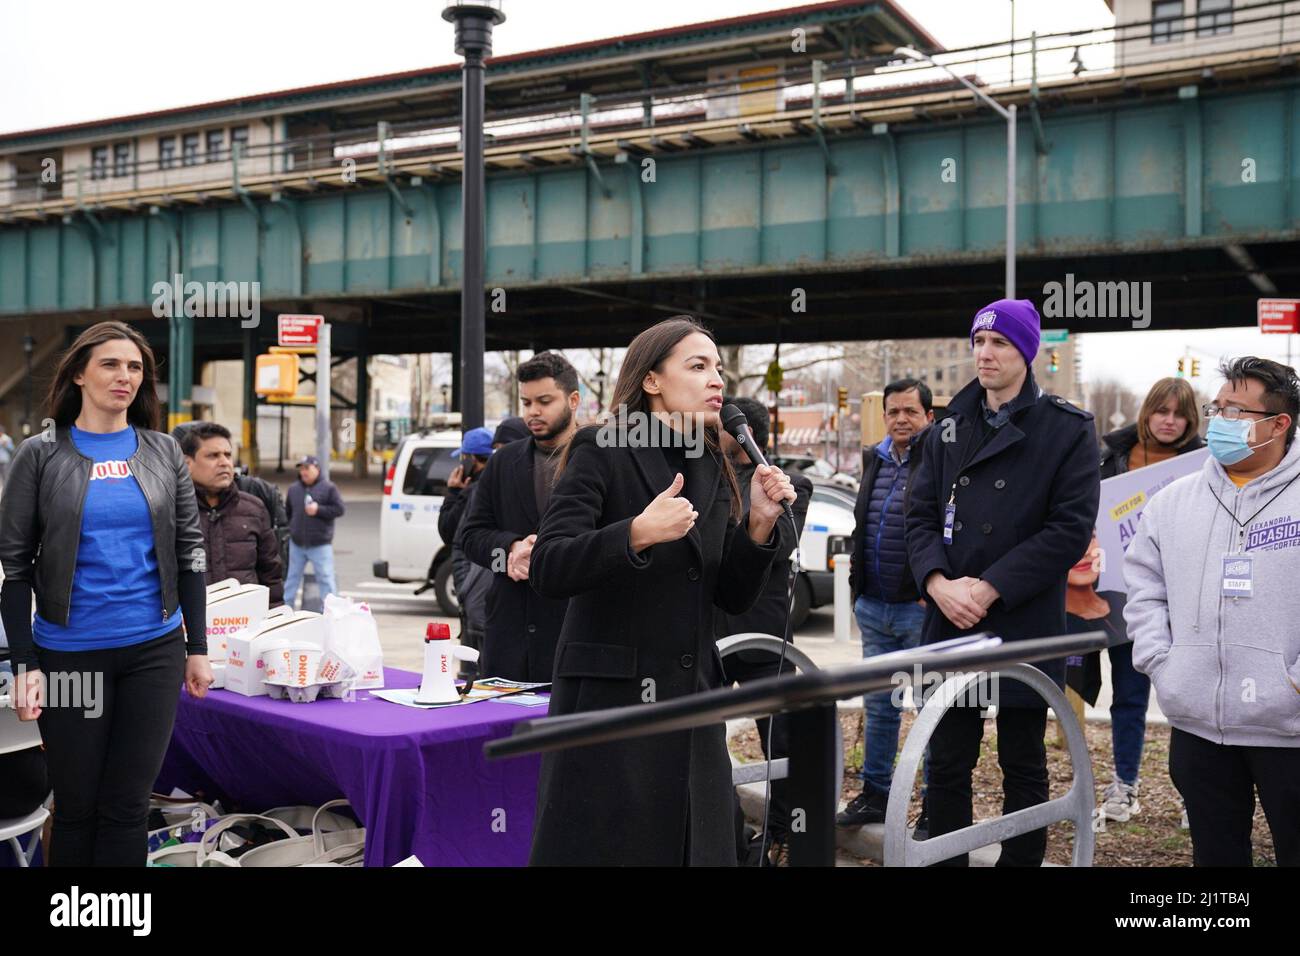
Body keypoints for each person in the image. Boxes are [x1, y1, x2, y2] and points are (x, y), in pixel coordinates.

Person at [528, 316, 796, 866]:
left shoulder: (710, 461)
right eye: (698, 367)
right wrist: (635, 533)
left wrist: (759, 527)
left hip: (692, 708)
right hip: (613, 707)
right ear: (652, 381)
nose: (716, 379)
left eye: (718, 367)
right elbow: (550, 567)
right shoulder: (601, 447)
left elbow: (729, 596)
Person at [0, 320, 212, 867]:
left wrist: (198, 648)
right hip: (70, 656)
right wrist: (25, 664)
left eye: (136, 367)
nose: (126, 377)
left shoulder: (164, 452)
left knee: (127, 806)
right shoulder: (40, 455)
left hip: (153, 652)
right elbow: (15, 569)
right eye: (110, 365)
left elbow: (190, 553)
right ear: (78, 374)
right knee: (76, 806)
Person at [905, 299, 1099, 867]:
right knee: (946, 762)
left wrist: (988, 589)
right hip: (950, 620)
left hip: (1021, 621)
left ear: (1028, 353)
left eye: (1001, 345)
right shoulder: (946, 428)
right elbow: (919, 517)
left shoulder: (1067, 430)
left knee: (1022, 762)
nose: (984, 354)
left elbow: (1068, 530)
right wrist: (939, 583)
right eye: (979, 342)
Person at [1125, 356, 1300, 867]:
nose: (1220, 421)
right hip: (1199, 728)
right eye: (1217, 408)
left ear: (1278, 424)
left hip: (1290, 730)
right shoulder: (1172, 501)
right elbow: (1144, 589)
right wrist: (1163, 662)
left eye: (1238, 412)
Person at [1092, 376, 1203, 823]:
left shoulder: (1207, 463)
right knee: (1129, 695)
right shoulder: (1110, 458)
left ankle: (1197, 795)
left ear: (1190, 418)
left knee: (1192, 700)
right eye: (1162, 410)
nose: (1170, 421)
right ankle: (1124, 785)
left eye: (1179, 413)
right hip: (1126, 598)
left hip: (1188, 596)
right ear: (1147, 412)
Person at [712, 395, 812, 865]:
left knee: (782, 740)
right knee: (706, 739)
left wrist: (755, 515)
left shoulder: (789, 486)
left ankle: (784, 828)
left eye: (722, 429)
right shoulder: (703, 479)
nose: (713, 435)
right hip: (711, 638)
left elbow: (779, 544)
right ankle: (727, 830)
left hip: (761, 636)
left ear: (747, 436)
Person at [839, 378, 935, 830]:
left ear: (929, 418)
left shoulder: (939, 462)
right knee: (879, 707)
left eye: (910, 412)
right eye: (893, 412)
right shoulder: (874, 460)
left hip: (918, 610)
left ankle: (937, 806)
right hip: (873, 607)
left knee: (929, 709)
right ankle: (875, 796)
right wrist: (858, 590)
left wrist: (929, 588)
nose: (900, 420)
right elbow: (864, 525)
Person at [460, 353, 580, 682]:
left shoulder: (603, 458)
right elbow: (470, 536)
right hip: (509, 637)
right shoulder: (503, 462)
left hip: (577, 636)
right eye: (526, 402)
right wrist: (509, 549)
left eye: (544, 401)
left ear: (573, 400)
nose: (532, 412)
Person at [179, 421, 285, 606]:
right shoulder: (171, 511)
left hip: (245, 627)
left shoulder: (254, 508)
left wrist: (273, 616)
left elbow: (271, 574)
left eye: (227, 455)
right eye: (213, 456)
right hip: (190, 628)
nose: (224, 462)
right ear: (187, 463)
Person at [441, 426, 494, 678]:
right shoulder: (489, 485)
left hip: (476, 594)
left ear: (472, 459)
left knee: (477, 668)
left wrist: (453, 493)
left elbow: (449, 531)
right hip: (478, 592)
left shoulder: (475, 491)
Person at [283, 454, 345, 611]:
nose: (304, 472)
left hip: (320, 543)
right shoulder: (294, 489)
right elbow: (288, 512)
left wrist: (319, 510)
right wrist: (292, 529)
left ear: (316, 468)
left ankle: (332, 613)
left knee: (326, 579)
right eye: (301, 469)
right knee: (291, 580)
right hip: (297, 543)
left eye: (307, 468)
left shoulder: (329, 488)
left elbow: (339, 509)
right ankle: (285, 612)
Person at [0, 424, 14, 493]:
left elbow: (12, 449)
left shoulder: (7, 439)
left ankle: (7, 490)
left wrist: (6, 445)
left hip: (5, 461)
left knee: (6, 475)